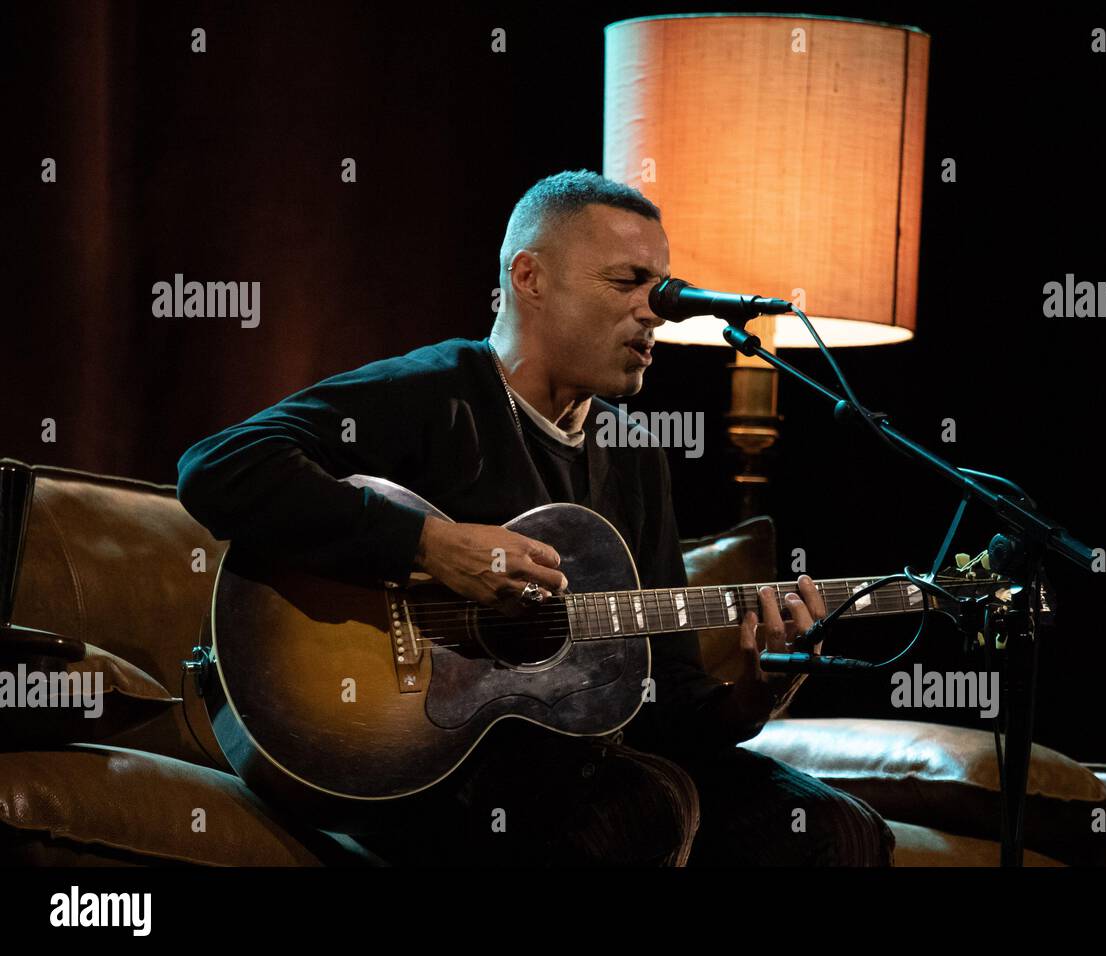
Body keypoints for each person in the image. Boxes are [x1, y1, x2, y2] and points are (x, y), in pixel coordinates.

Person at [176, 170, 894, 866]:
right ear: (529, 278)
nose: (657, 311)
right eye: (628, 283)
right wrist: (429, 544)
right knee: (642, 808)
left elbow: (665, 699)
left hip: (576, 771)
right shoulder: (433, 394)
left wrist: (752, 695)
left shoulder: (633, 456)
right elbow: (217, 467)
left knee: (836, 831)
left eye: (662, 289)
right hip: (421, 763)